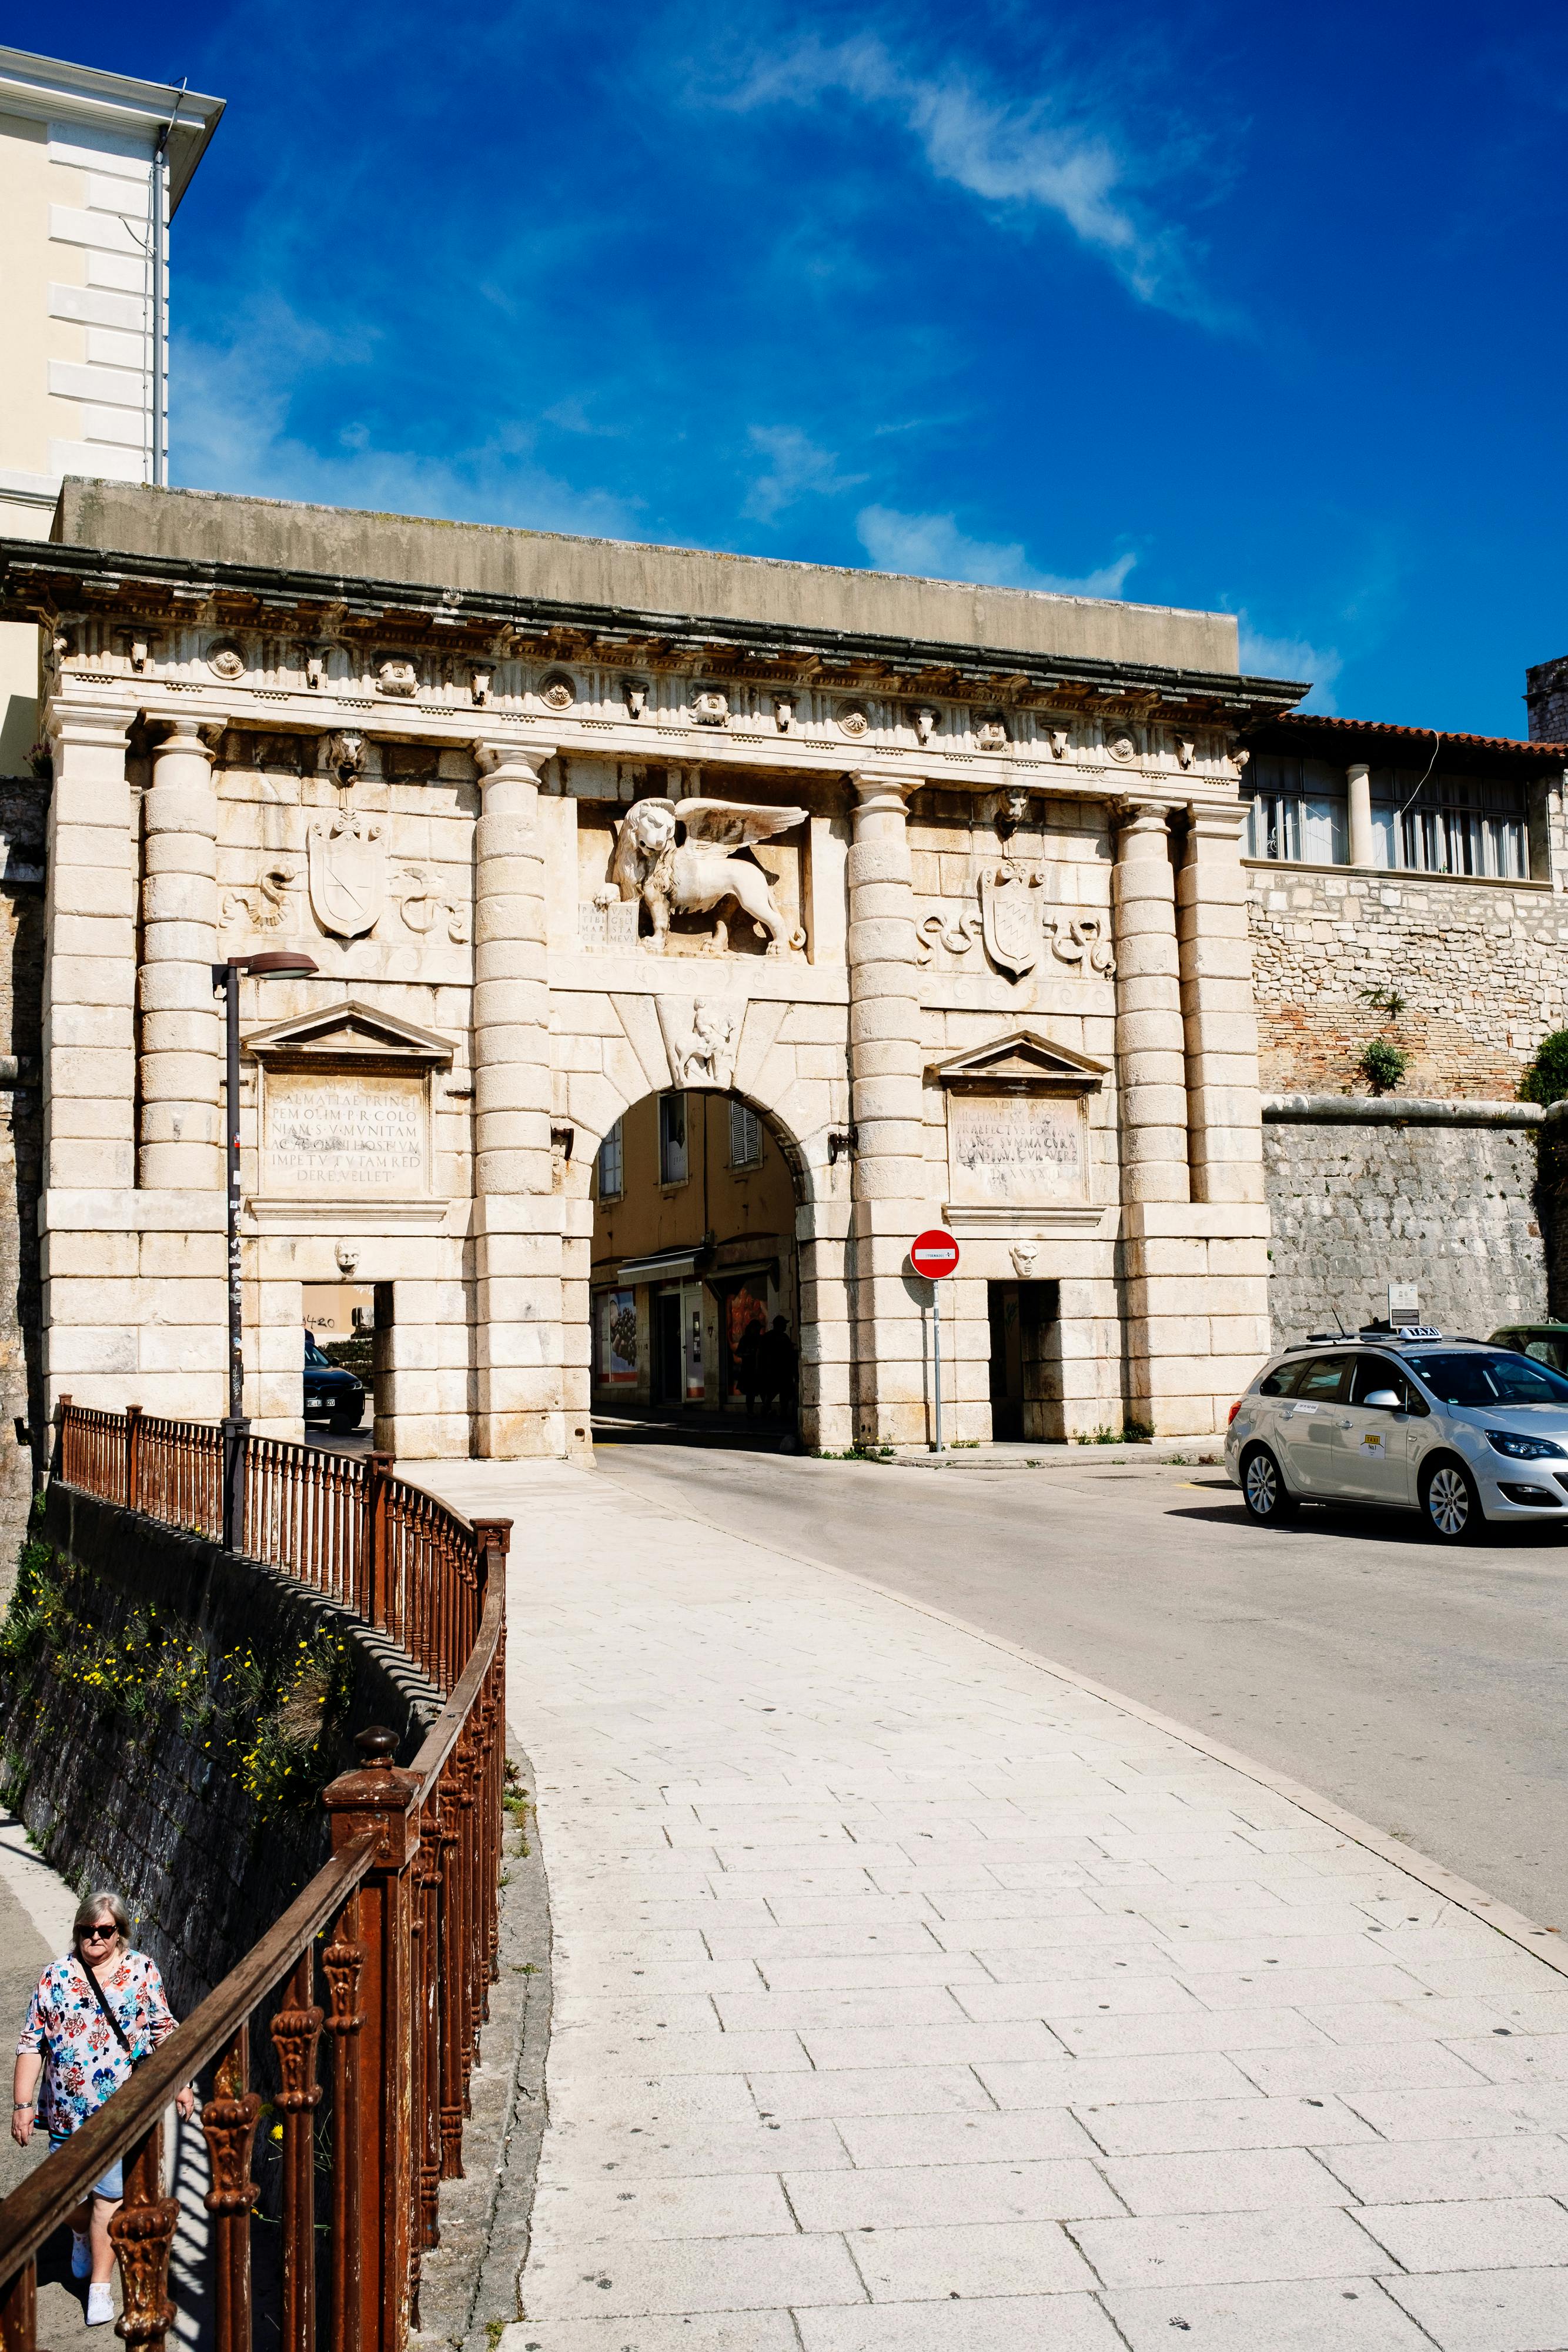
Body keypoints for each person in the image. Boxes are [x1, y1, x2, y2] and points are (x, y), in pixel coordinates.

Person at [12, 1892, 193, 2327]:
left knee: (108, 2198)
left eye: (105, 1930)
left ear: (119, 1933)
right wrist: (22, 2105)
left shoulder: (141, 1970)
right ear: (77, 1931)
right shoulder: (56, 1976)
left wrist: (182, 2083)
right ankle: (78, 2232)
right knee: (63, 2199)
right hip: (65, 2113)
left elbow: (163, 2030)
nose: (95, 1937)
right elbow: (31, 2043)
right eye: (87, 1930)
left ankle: (99, 2286)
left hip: (118, 2112)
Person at [758, 1315, 798, 1418]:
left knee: (781, 1392)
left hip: (781, 1369)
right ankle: (768, 1409)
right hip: (775, 1369)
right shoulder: (772, 1337)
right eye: (784, 1324)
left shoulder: (781, 1337)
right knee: (774, 1391)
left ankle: (781, 1411)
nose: (786, 1326)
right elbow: (763, 1354)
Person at [735, 1315, 763, 1415]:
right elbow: (738, 1353)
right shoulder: (745, 1339)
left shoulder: (760, 1339)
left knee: (763, 1390)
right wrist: (748, 1354)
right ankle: (750, 1411)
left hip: (760, 1368)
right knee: (750, 1392)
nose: (758, 1331)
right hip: (749, 1369)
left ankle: (766, 1408)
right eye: (757, 1328)